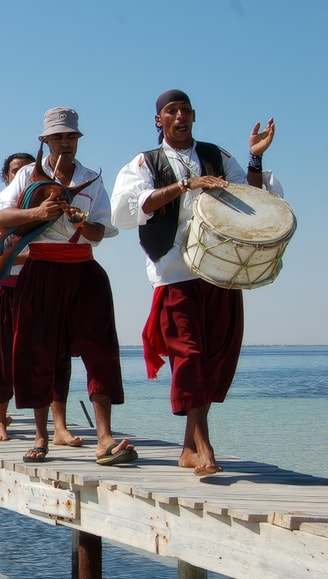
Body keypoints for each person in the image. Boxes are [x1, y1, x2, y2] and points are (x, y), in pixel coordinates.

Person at [110, 89, 276, 476]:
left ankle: (187, 448)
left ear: (194, 115)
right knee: (190, 355)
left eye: (186, 110)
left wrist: (255, 157)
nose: (180, 116)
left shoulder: (217, 155)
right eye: (172, 111)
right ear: (159, 120)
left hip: (220, 269)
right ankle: (204, 447)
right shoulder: (144, 162)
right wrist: (187, 185)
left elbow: (253, 198)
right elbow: (127, 209)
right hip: (174, 270)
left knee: (215, 358)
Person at [0, 107, 133, 465]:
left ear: (78, 140)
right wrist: (40, 214)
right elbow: (2, 217)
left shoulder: (92, 179)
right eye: (58, 137)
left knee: (100, 352)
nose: (65, 143)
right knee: (36, 352)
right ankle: (41, 437)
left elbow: (101, 232)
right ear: (46, 141)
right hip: (39, 270)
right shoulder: (28, 174)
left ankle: (104, 438)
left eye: (70, 137)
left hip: (84, 270)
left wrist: (79, 220)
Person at [0, 154, 82, 445]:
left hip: (47, 288)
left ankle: (59, 425)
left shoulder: (54, 202)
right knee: (2, 357)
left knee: (56, 355)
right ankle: (0, 420)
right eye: (16, 170)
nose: (23, 174)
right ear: (8, 178)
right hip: (8, 290)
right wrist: (30, 255)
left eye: (27, 169)